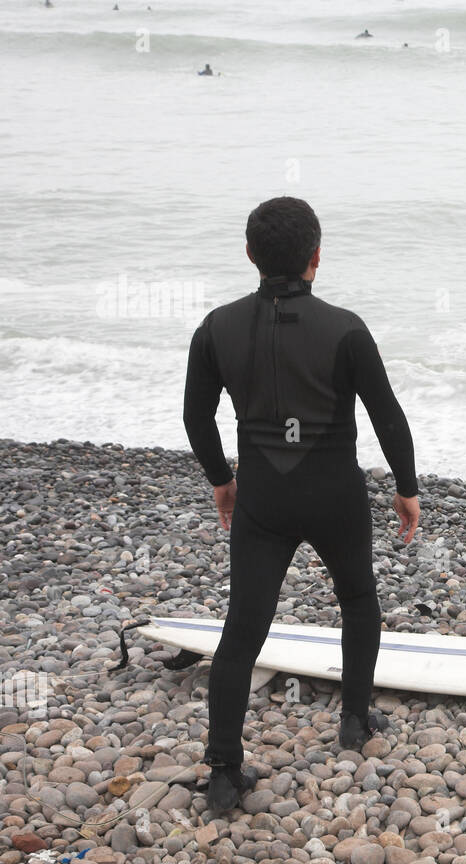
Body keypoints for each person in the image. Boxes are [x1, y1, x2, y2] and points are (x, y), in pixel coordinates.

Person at [183, 196, 420, 812]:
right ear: (317, 256)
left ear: (250, 255)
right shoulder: (345, 328)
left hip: (262, 497)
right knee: (358, 600)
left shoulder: (216, 328)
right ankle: (354, 720)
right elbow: (387, 416)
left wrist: (220, 478)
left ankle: (224, 771)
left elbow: (195, 416)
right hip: (333, 495)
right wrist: (406, 486)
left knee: (244, 628)